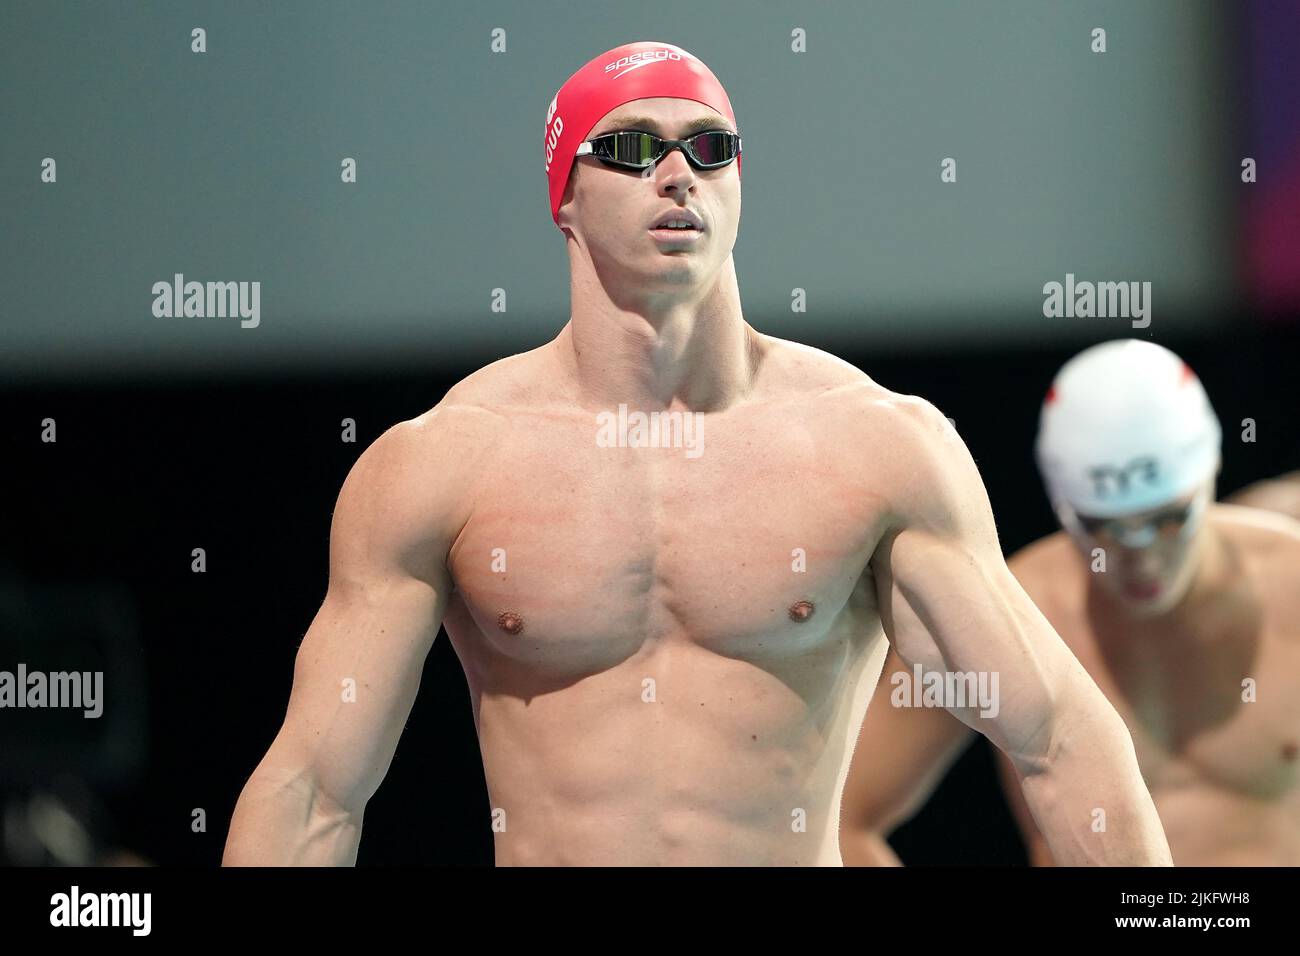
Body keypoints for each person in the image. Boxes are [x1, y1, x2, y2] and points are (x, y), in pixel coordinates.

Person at [223, 43, 1169, 866]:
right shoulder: (445, 465)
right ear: (565, 196)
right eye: (633, 149)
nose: (678, 172)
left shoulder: (876, 443)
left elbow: (1058, 734)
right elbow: (314, 789)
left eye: (710, 148)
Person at [840, 340, 1300, 866]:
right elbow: (843, 816)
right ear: (1060, 507)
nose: (1141, 557)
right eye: (1103, 527)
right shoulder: (1010, 609)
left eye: (1168, 518)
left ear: (1212, 469)